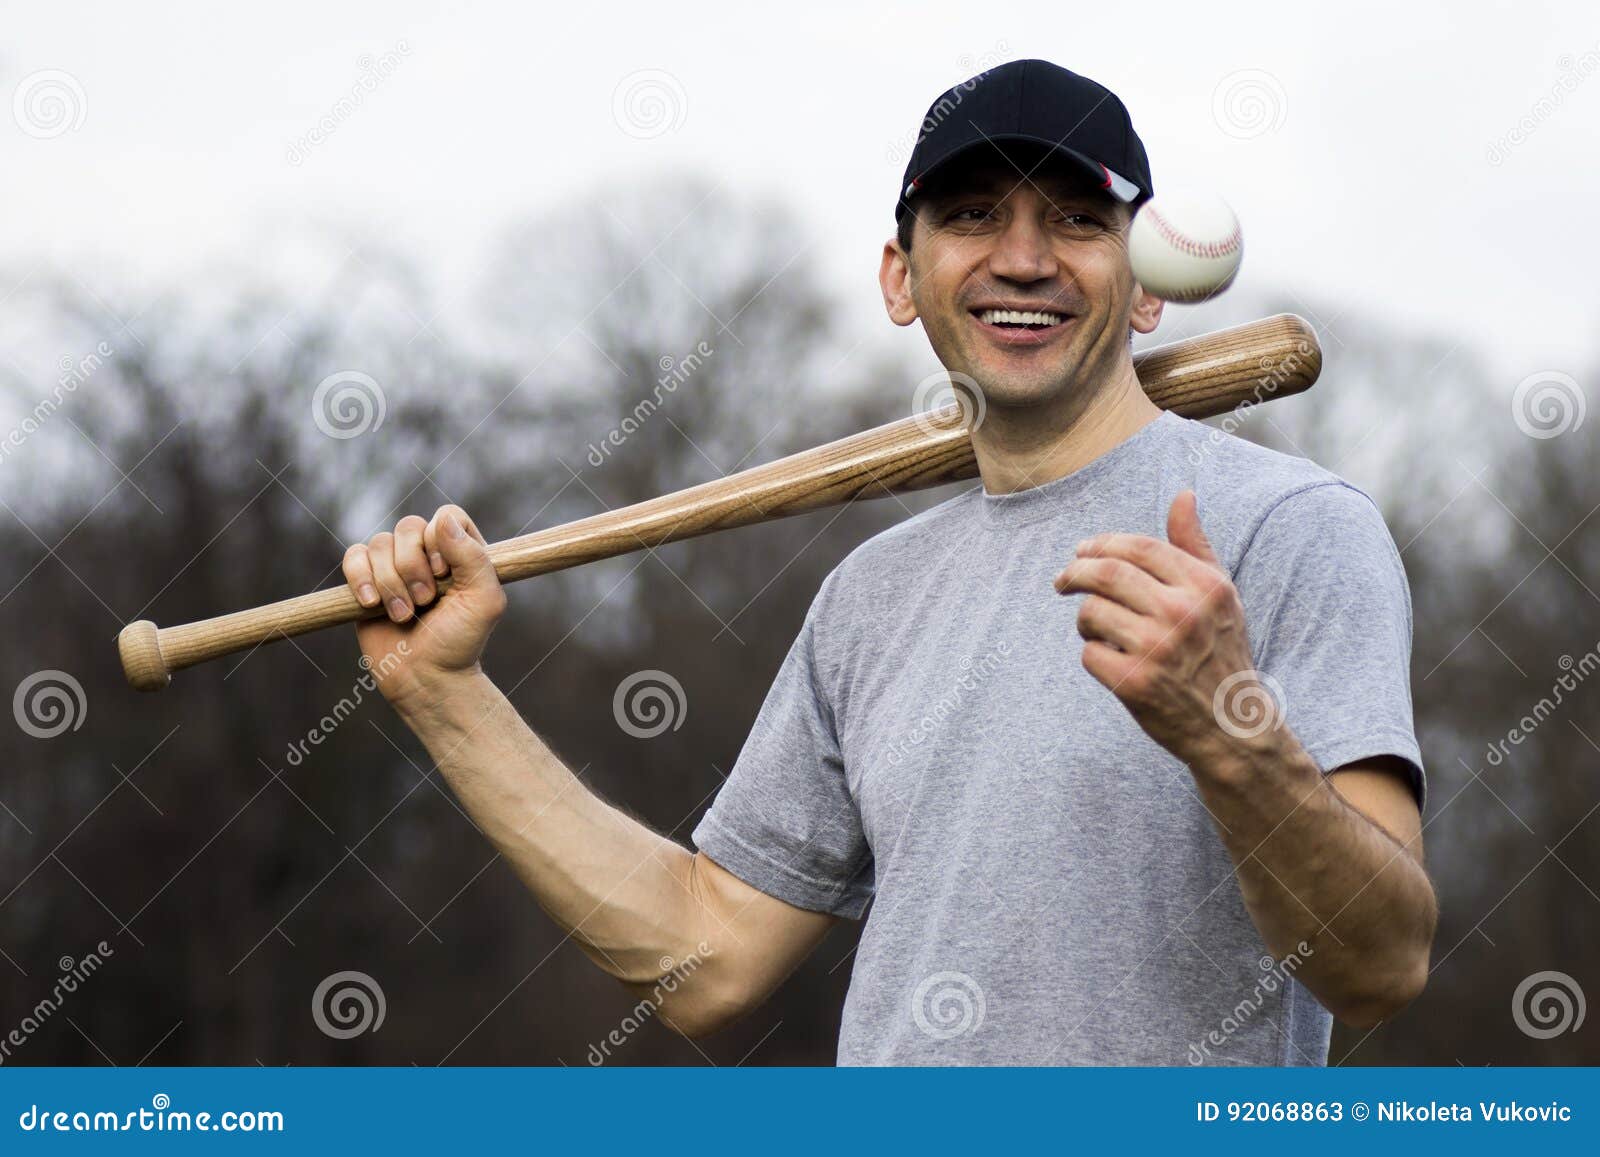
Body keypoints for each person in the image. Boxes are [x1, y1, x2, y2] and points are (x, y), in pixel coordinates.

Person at [340, 59, 1436, 1065]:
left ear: (1147, 282)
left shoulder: (1288, 526)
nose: (1021, 257)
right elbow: (706, 954)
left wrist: (1228, 732)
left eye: (1075, 219)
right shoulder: (869, 595)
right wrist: (445, 696)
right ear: (900, 276)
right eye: (969, 216)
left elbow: (1380, 964)